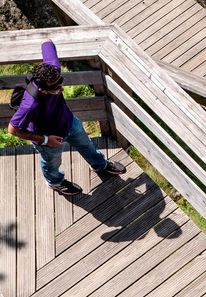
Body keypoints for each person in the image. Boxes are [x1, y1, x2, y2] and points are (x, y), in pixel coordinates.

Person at [8, 39, 126, 195]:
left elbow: (47, 41)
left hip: (69, 123)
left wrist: (45, 40)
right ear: (43, 89)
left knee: (87, 145)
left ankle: (100, 165)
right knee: (52, 162)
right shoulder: (31, 103)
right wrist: (45, 140)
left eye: (61, 82)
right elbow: (13, 129)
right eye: (56, 87)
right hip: (49, 137)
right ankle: (55, 182)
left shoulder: (52, 70)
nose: (62, 88)